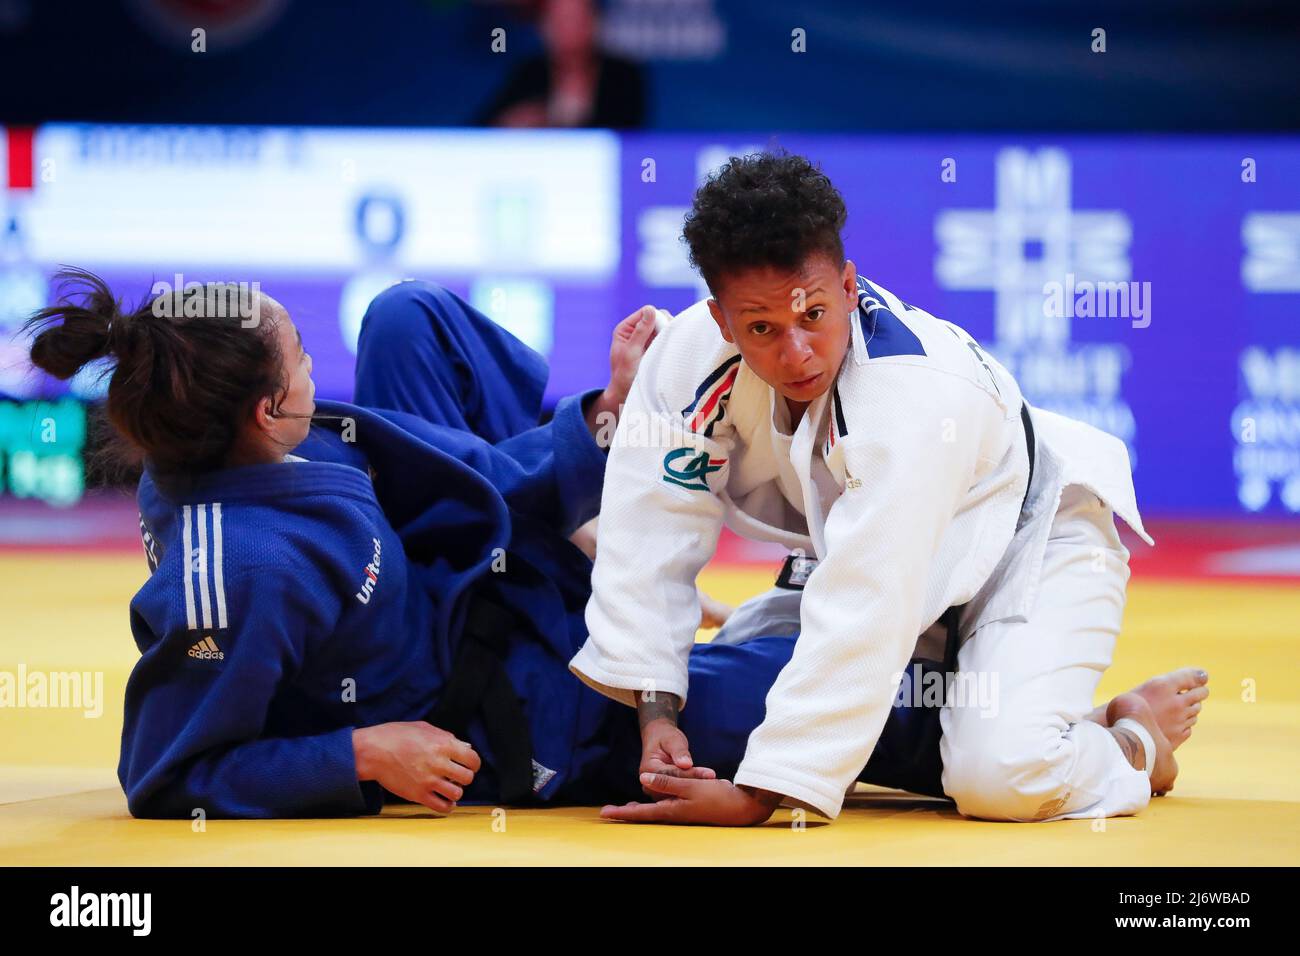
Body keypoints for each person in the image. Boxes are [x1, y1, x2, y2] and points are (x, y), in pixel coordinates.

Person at [25, 271, 940, 818]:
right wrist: (364, 754)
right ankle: (920, 686)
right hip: (505, 703)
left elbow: (453, 478)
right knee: (822, 695)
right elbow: (164, 774)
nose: (313, 362)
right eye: (301, 352)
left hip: (452, 575)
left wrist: (601, 426)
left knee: (407, 316)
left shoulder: (252, 435)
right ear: (268, 411)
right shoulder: (237, 575)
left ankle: (589, 517)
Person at [570, 152, 1209, 826]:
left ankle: (1131, 744)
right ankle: (1062, 713)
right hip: (890, 560)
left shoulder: (912, 397)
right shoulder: (688, 363)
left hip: (1033, 540)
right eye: (761, 329)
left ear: (849, 286)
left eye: (813, 313)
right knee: (734, 677)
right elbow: (647, 539)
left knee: (998, 779)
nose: (796, 353)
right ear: (722, 321)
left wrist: (762, 794)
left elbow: (866, 604)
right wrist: (655, 715)